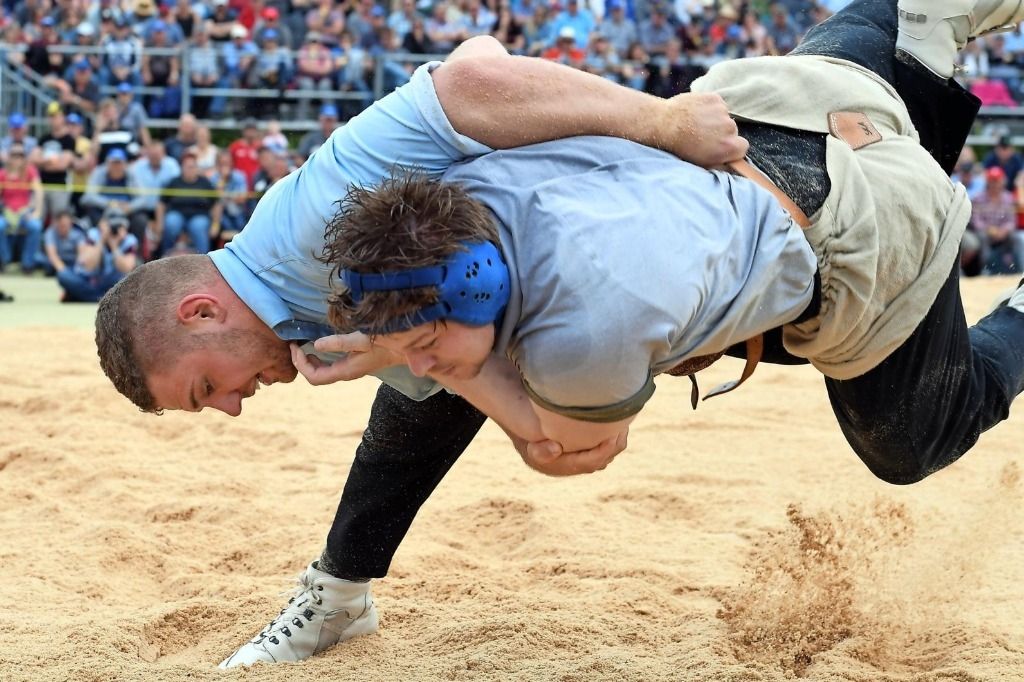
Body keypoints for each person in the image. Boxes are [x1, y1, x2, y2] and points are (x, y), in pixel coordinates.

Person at [275, 0, 1024, 664]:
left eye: (424, 345)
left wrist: (458, 371)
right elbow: (479, 55)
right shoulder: (468, 184)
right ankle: (918, 34)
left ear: (479, 287)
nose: (422, 364)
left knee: (914, 443)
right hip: (765, 108)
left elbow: (568, 449)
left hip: (858, 225)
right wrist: (389, 337)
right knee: (842, 85)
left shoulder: (584, 336)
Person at [93, 32, 746, 669]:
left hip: (675, 207)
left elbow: (472, 81)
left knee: (426, 383)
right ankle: (339, 595)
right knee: (424, 380)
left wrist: (662, 119)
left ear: (201, 313)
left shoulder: (310, 241)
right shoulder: (298, 313)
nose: (232, 408)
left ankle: (337, 595)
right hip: (618, 240)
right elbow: (476, 53)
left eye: (208, 389)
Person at [58, 209, 139, 302]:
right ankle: (104, 299)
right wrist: (101, 240)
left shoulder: (129, 240)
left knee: (129, 285)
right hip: (90, 281)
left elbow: (126, 268)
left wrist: (114, 246)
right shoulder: (94, 234)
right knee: (63, 275)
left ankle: (81, 296)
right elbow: (89, 266)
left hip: (112, 284)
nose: (113, 229)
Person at [156, 152, 217, 255]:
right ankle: (165, 255)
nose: (190, 169)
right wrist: (159, 223)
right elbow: (161, 203)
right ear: (182, 168)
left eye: (192, 167)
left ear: (197, 168)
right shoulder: (174, 182)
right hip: (177, 214)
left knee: (198, 227)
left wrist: (216, 224)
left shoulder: (205, 182)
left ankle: (203, 259)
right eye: (187, 167)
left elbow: (216, 204)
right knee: (171, 223)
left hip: (200, 215)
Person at [0, 143, 45, 272]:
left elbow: (39, 191)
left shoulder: (30, 171)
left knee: (35, 226)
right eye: (14, 154)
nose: (17, 158)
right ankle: (4, 260)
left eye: (20, 155)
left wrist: (37, 211)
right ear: (9, 157)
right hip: (6, 212)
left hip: (24, 212)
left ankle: (28, 263)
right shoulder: (3, 173)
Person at [41, 207, 88, 276]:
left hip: (73, 263)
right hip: (54, 264)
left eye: (67, 225)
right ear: (56, 223)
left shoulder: (78, 233)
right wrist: (65, 273)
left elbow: (81, 255)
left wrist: (78, 270)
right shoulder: (50, 233)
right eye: (62, 226)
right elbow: (52, 255)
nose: (65, 228)